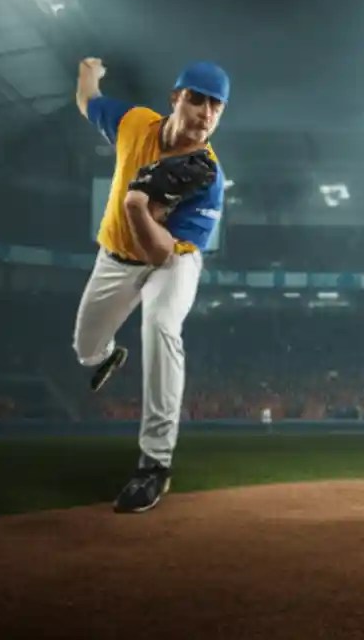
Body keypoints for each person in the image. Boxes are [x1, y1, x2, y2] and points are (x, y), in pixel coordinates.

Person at [72, 57, 229, 512]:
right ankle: (105, 355)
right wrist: (90, 71)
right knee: (84, 349)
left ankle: (154, 464)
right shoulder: (134, 123)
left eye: (216, 106)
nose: (204, 113)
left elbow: (162, 253)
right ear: (174, 98)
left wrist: (137, 206)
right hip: (115, 258)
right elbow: (88, 101)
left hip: (171, 260)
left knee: (160, 323)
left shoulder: (208, 178)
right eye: (196, 99)